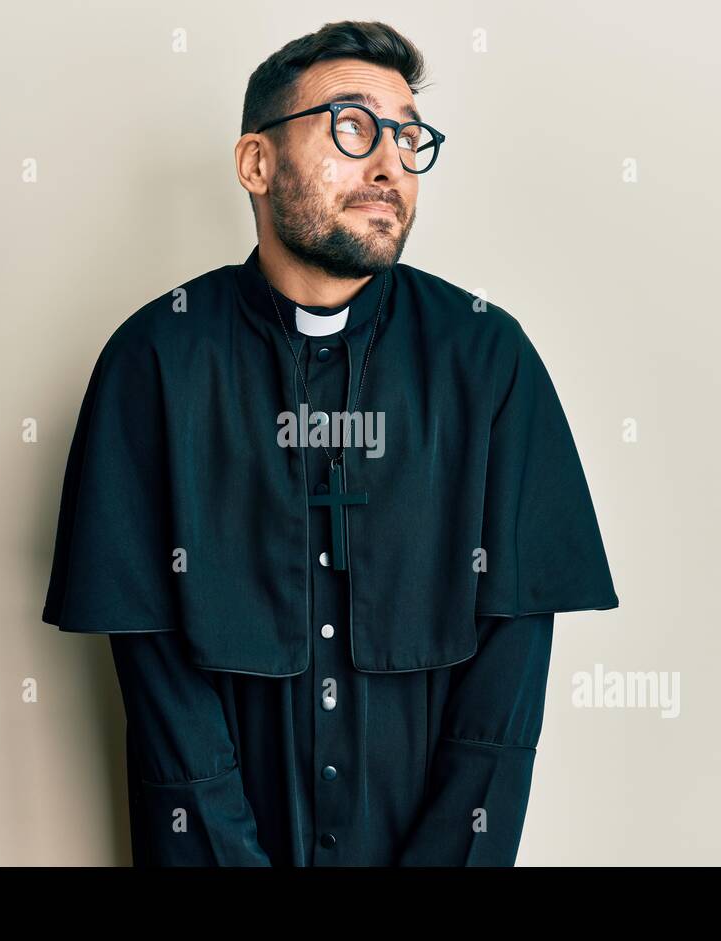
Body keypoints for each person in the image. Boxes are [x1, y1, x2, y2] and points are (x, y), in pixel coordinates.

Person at [41, 19, 619, 866]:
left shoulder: (488, 359)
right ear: (256, 163)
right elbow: (158, 679)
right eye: (354, 128)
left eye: (410, 138)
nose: (390, 164)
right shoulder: (156, 361)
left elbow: (505, 692)